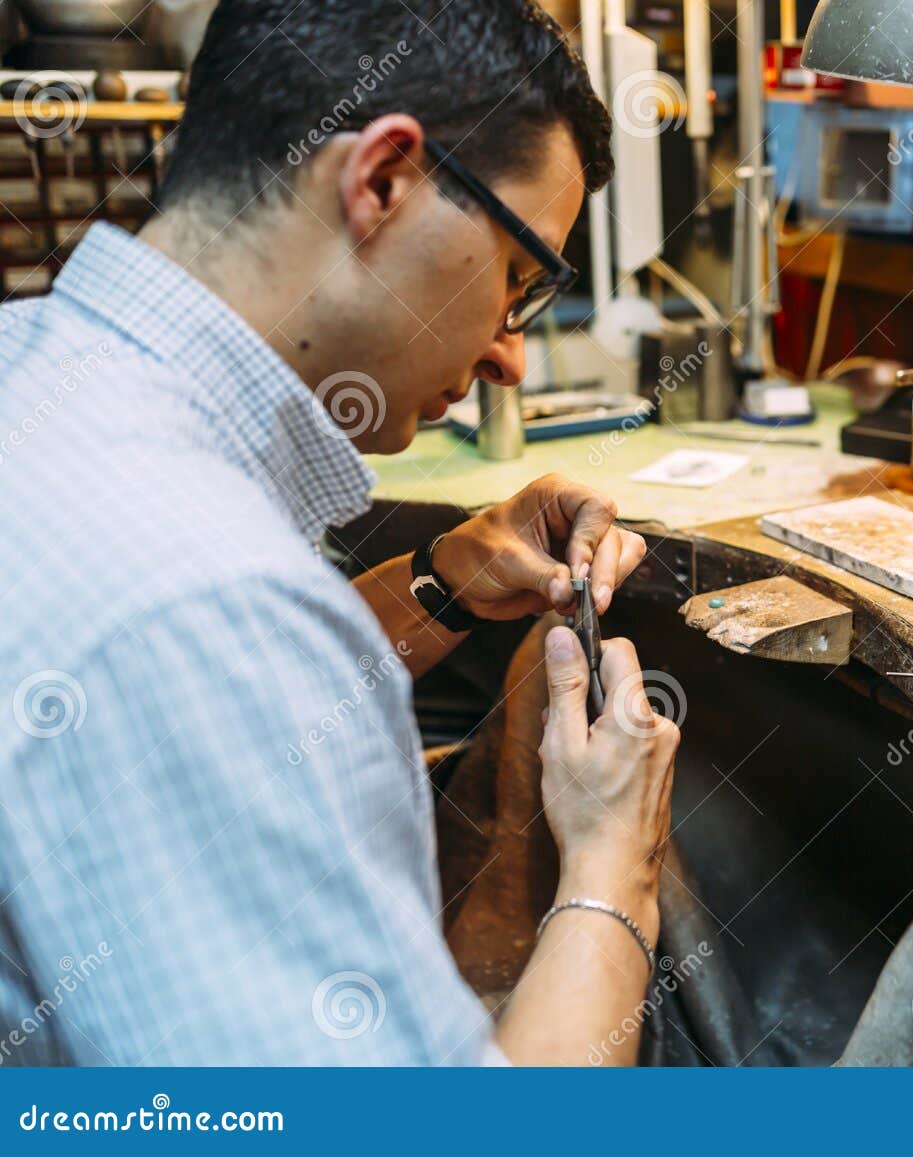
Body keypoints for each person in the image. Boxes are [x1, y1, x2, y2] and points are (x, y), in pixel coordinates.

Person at [0, 0, 679, 1065]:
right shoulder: (209, 602)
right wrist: (612, 862)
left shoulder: (34, 367)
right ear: (382, 183)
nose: (509, 356)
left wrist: (447, 580)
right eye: (518, 280)